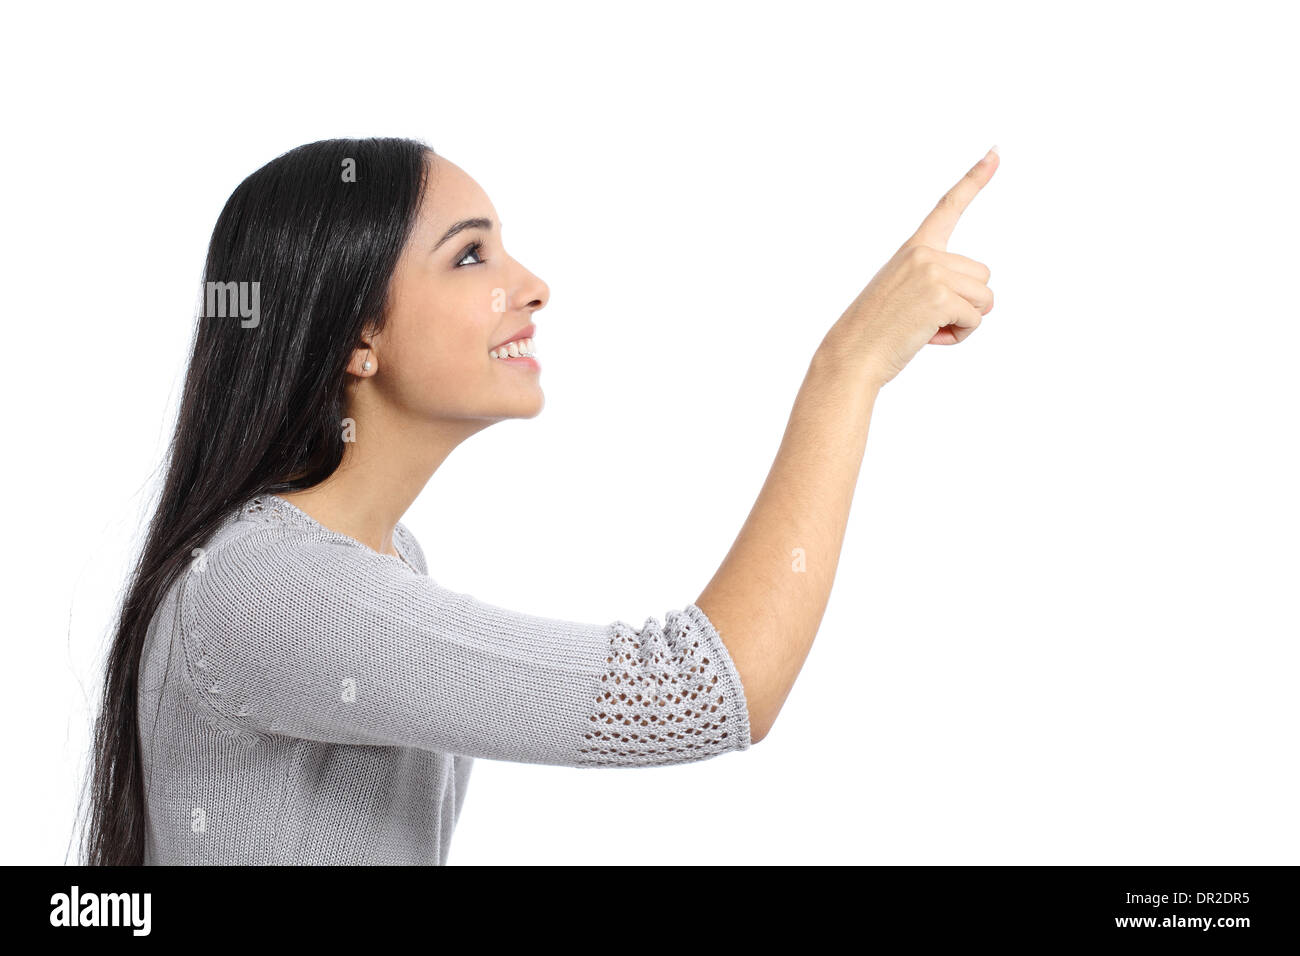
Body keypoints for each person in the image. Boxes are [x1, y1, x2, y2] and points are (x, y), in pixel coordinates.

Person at [80, 137, 998, 865]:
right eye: (471, 255)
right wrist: (849, 369)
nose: (532, 286)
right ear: (358, 334)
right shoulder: (271, 585)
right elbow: (707, 691)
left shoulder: (380, 557)